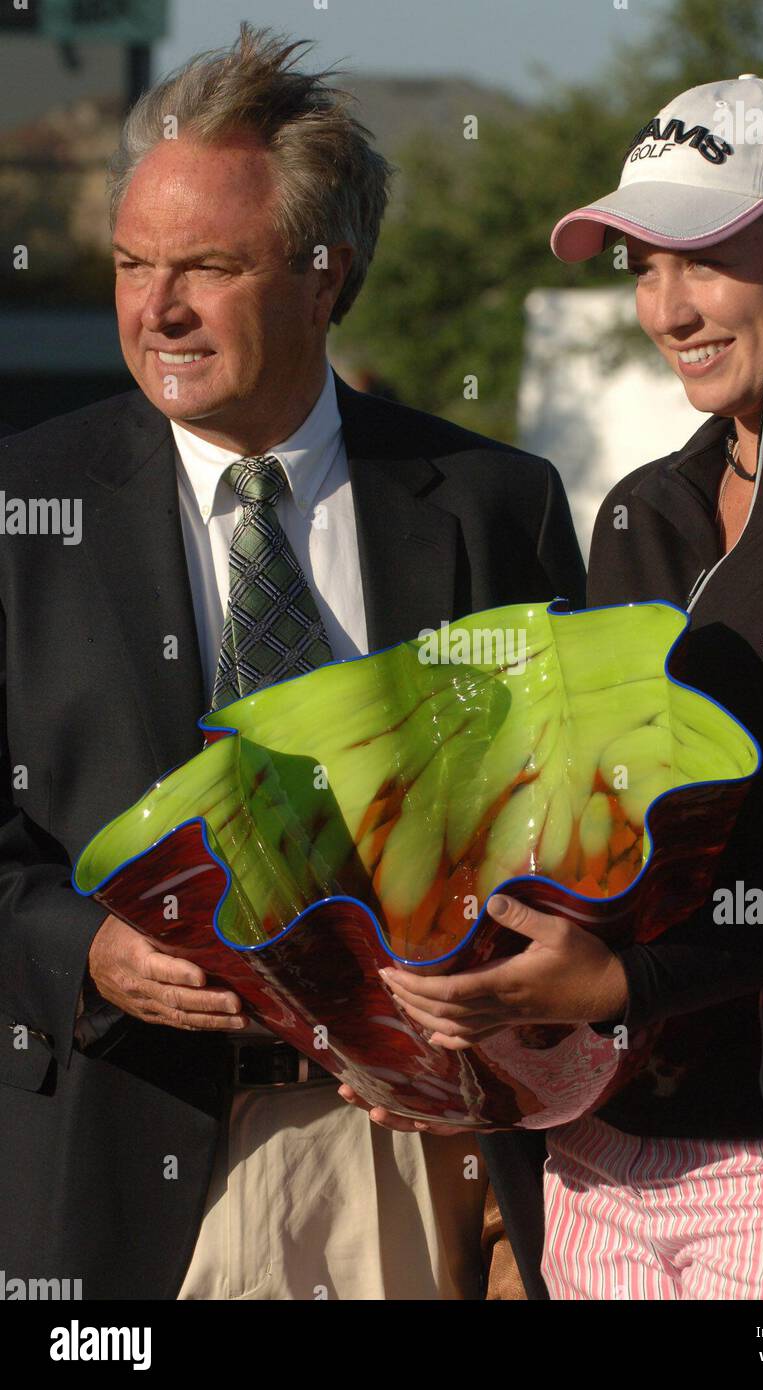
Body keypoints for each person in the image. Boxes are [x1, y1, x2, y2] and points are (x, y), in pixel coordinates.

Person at [0, 25, 584, 1301]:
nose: (155, 310)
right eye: (132, 264)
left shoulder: (496, 503)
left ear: (328, 276)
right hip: (110, 1147)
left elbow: (563, 824)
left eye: (206, 266)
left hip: (407, 1154)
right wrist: (83, 947)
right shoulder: (21, 506)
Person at [342, 75, 763, 1300]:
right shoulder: (640, 510)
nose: (663, 308)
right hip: (601, 1160)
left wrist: (618, 983)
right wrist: (447, 1027)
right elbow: (598, 838)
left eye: (701, 260)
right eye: (639, 266)